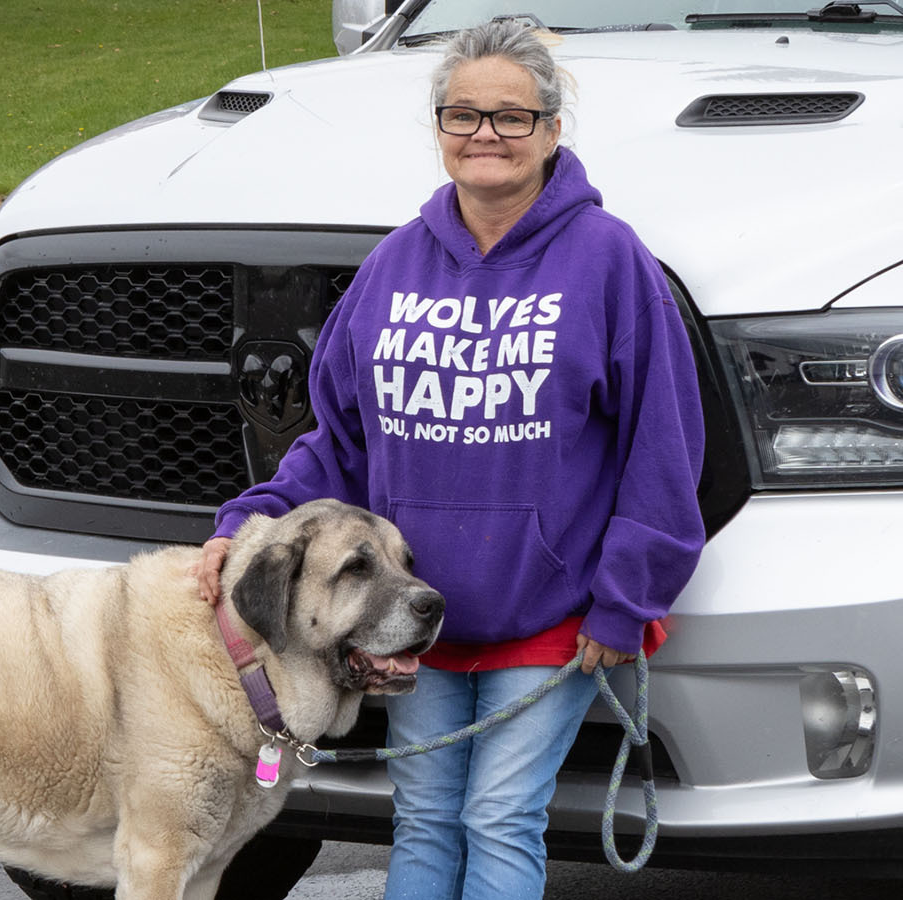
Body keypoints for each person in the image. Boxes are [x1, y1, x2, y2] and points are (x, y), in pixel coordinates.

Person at [193, 19, 706, 900]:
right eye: (462, 115)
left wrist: (626, 601)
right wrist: (249, 524)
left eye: (511, 116)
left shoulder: (611, 261)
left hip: (553, 617)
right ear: (439, 129)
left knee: (500, 817)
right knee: (426, 818)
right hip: (411, 618)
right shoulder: (394, 265)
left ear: (552, 128)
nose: (485, 135)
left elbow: (663, 447)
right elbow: (342, 443)